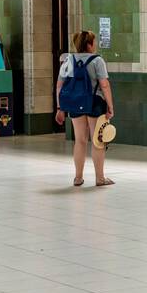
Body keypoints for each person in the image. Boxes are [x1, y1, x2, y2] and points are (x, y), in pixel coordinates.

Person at [54, 30, 115, 187]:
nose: (95, 44)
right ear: (89, 44)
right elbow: (104, 85)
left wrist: (60, 107)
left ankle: (78, 177)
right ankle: (100, 178)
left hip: (75, 103)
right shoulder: (97, 60)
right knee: (97, 141)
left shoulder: (68, 60)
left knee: (80, 141)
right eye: (94, 41)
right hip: (95, 102)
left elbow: (59, 86)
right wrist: (110, 105)